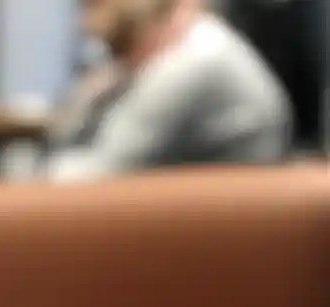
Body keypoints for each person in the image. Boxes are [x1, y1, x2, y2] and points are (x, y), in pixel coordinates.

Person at [48, 0, 293, 180]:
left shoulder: (199, 61)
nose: (83, 19)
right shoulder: (149, 62)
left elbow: (97, 175)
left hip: (224, 228)